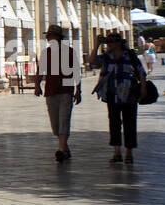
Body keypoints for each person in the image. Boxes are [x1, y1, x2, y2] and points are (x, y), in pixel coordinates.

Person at [90, 31, 148, 164]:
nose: (108, 45)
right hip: (112, 94)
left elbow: (141, 72)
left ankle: (129, 152)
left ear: (118, 43)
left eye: (110, 42)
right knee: (114, 123)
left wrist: (143, 87)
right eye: (107, 42)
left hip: (129, 94)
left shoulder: (130, 56)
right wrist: (97, 44)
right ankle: (117, 151)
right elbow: (92, 61)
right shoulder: (106, 57)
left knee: (129, 122)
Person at [34, 23, 81, 162]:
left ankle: (61, 149)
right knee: (55, 124)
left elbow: (76, 72)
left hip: (66, 90)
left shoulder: (69, 52)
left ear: (57, 38)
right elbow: (40, 71)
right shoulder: (45, 53)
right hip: (50, 90)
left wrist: (79, 90)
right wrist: (37, 85)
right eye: (47, 36)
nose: (48, 38)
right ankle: (64, 148)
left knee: (63, 121)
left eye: (50, 35)